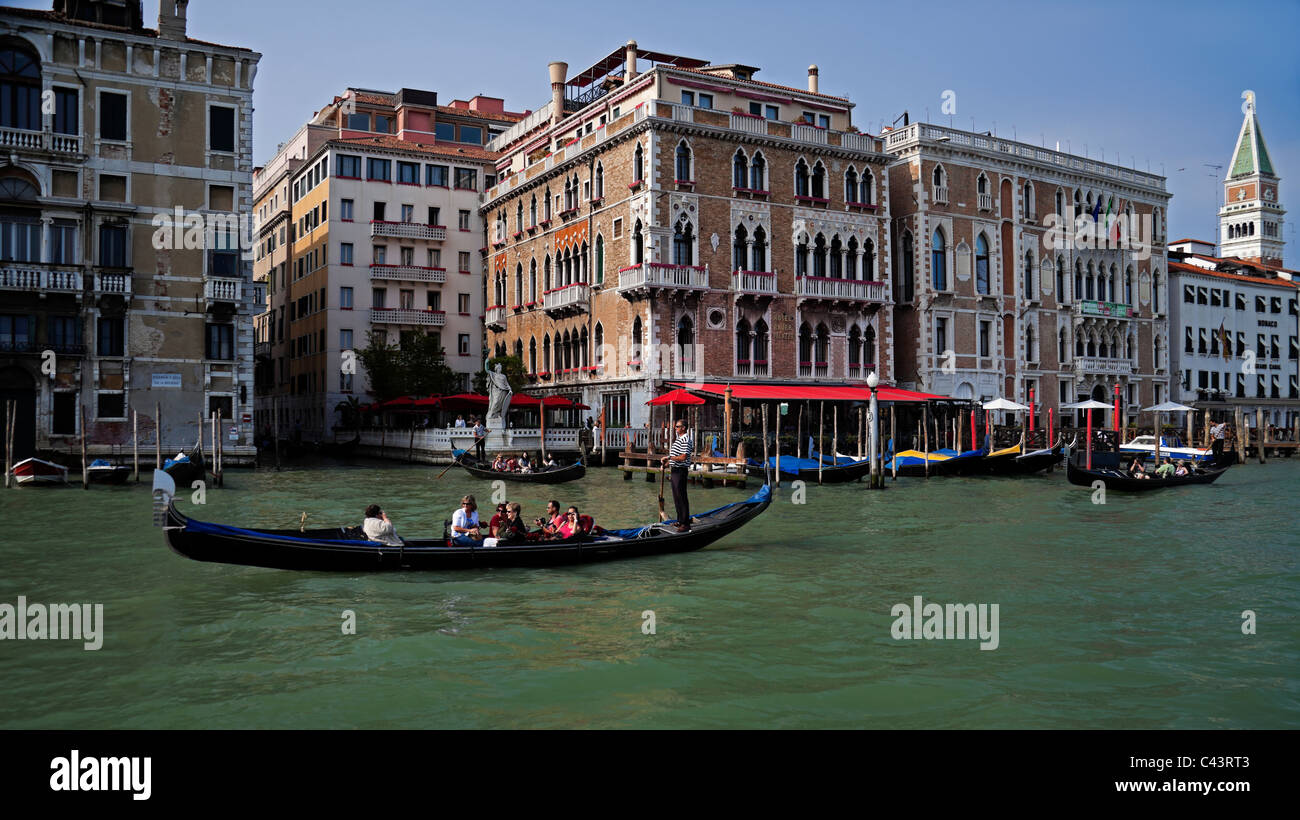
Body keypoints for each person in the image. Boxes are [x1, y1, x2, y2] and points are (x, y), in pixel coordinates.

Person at [662, 418, 694, 532]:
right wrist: (668, 464)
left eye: (677, 426)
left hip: (680, 470)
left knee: (681, 496)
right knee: (676, 497)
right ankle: (680, 520)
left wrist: (669, 458)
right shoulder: (679, 439)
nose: (675, 428)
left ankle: (685, 523)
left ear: (683, 428)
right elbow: (676, 456)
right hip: (675, 470)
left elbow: (683, 457)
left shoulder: (686, 439)